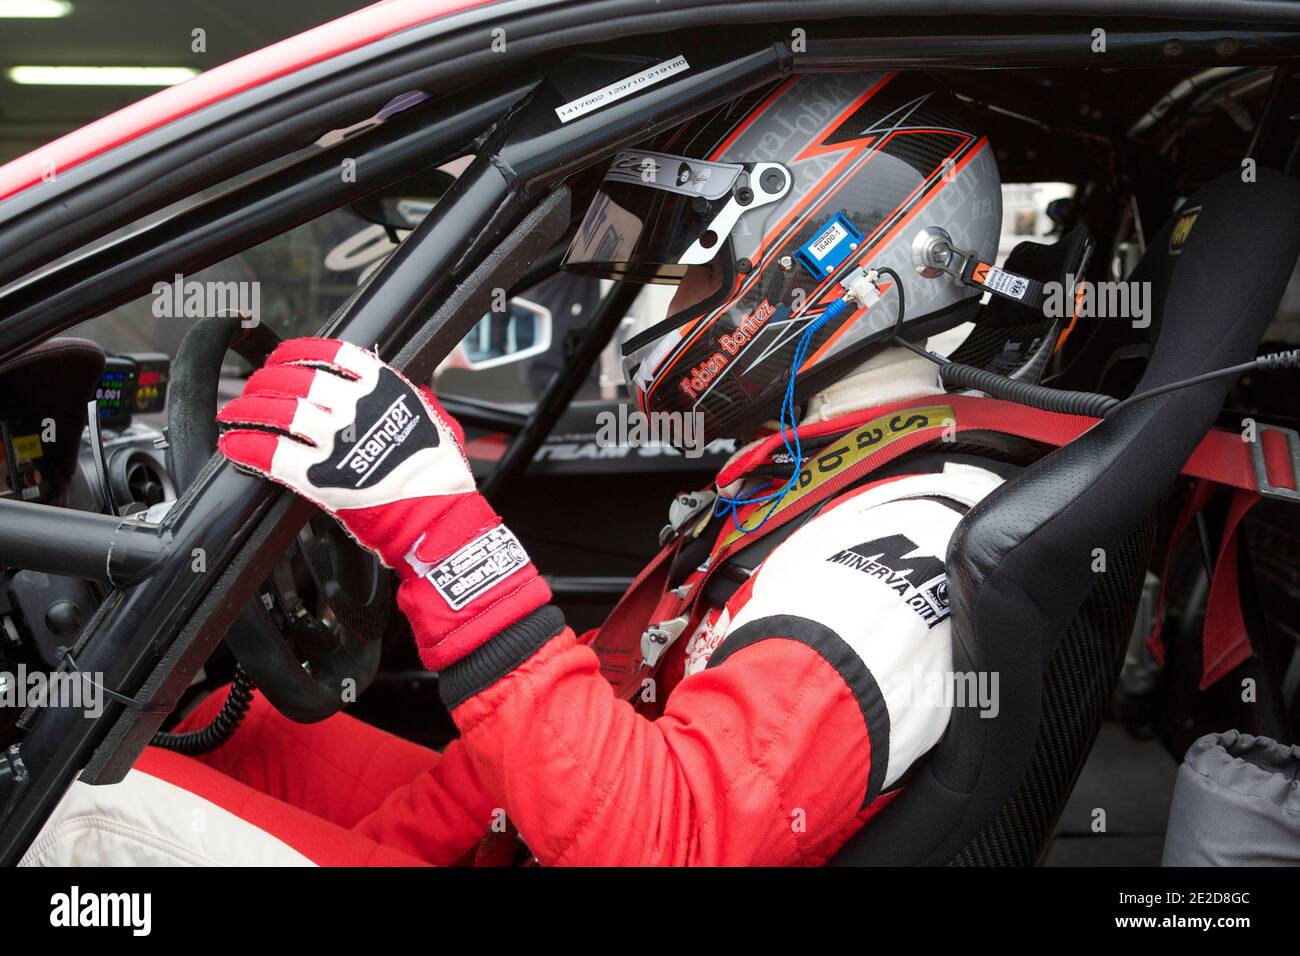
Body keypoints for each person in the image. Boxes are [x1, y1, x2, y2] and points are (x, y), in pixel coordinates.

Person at [25, 73, 1022, 867]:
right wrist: (393, 842)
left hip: (626, 830)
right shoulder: (820, 473)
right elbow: (619, 690)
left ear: (827, 254)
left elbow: (670, 840)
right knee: (222, 731)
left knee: (63, 811)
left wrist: (438, 530)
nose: (670, 301)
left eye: (698, 266)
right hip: (568, 813)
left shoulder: (902, 547)